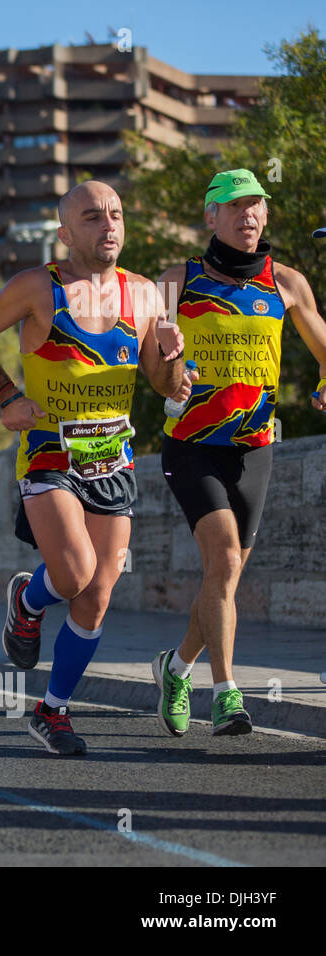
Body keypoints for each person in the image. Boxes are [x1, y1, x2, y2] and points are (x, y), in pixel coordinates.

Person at [0, 180, 185, 756]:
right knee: (77, 570)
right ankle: (27, 601)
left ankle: (51, 711)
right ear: (65, 232)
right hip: (50, 454)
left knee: (98, 595)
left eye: (115, 214)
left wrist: (175, 359)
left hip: (114, 457)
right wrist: (7, 395)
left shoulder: (146, 296)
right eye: (92, 217)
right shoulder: (40, 287)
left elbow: (162, 385)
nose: (108, 225)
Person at [150, 169, 326, 737]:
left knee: (221, 581)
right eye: (236, 205)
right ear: (211, 217)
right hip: (192, 447)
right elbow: (151, 369)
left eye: (258, 205)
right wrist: (172, 370)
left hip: (255, 451)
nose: (249, 214)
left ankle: (175, 669)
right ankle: (227, 694)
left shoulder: (288, 284)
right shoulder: (176, 282)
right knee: (223, 563)